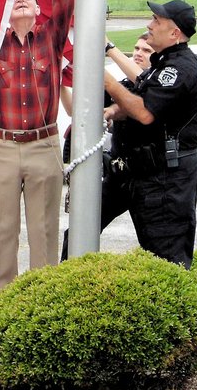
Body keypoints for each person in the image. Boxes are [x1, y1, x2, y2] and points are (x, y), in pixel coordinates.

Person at [0, 0, 74, 293]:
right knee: (3, 231)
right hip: (0, 146)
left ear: (38, 9)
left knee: (44, 230)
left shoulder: (50, 38)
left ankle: (40, 303)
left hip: (43, 145)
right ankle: (4, 304)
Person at [103, 0, 197, 269]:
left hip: (165, 178)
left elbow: (145, 112)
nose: (149, 25)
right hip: (133, 169)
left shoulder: (180, 68)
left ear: (174, 33)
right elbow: (144, 101)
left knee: (166, 254)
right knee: (81, 226)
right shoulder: (162, 64)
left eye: (157, 21)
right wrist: (114, 111)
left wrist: (106, 80)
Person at [61, 34, 155, 260]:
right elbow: (75, 110)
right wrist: (60, 82)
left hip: (148, 180)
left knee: (154, 242)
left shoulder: (156, 86)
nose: (139, 53)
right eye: (136, 48)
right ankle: (69, 279)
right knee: (78, 230)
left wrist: (110, 48)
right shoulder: (121, 86)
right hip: (119, 175)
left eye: (146, 50)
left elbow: (144, 82)